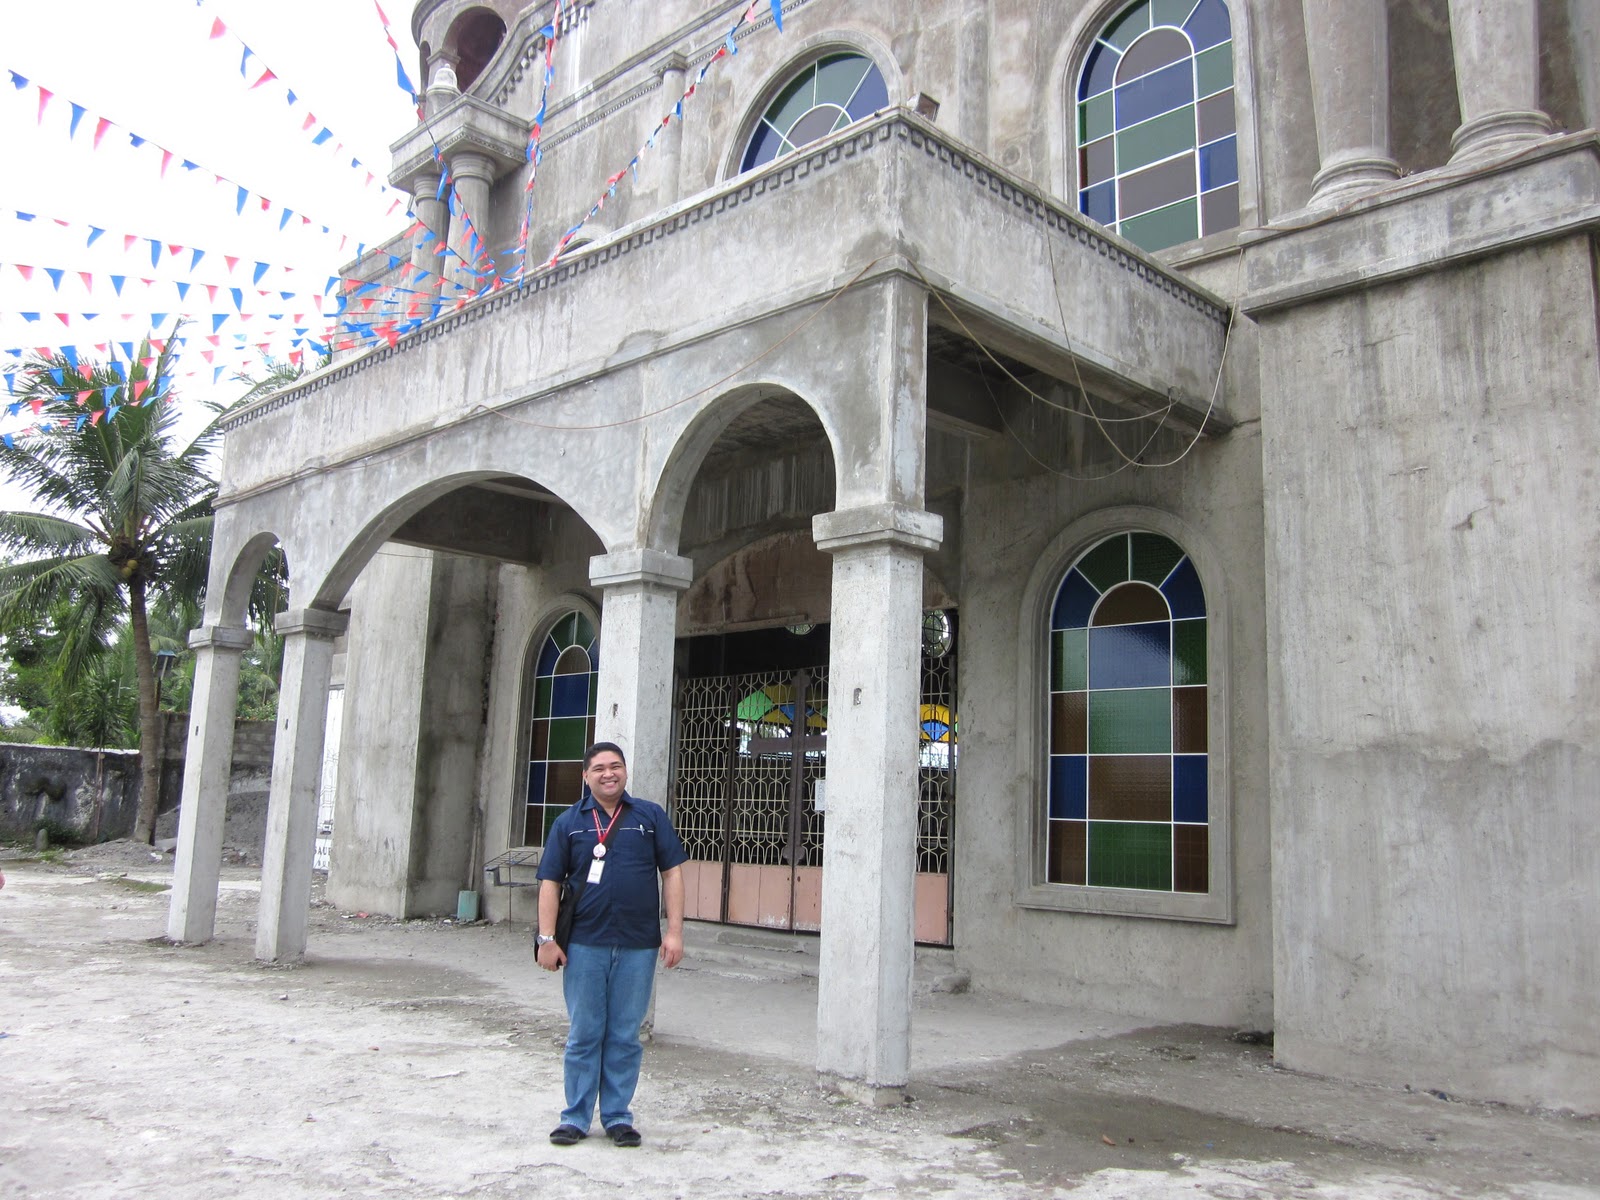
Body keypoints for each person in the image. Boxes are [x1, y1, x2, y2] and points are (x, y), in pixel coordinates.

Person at [535, 741, 687, 1149]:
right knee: (585, 1033)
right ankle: (575, 1117)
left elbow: (672, 874)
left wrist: (674, 931)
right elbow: (549, 883)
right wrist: (546, 939)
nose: (609, 774)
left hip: (639, 945)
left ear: (625, 772)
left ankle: (618, 1117)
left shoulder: (650, 817)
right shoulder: (569, 823)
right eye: (599, 768)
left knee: (624, 1034)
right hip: (585, 943)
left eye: (615, 766)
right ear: (586, 776)